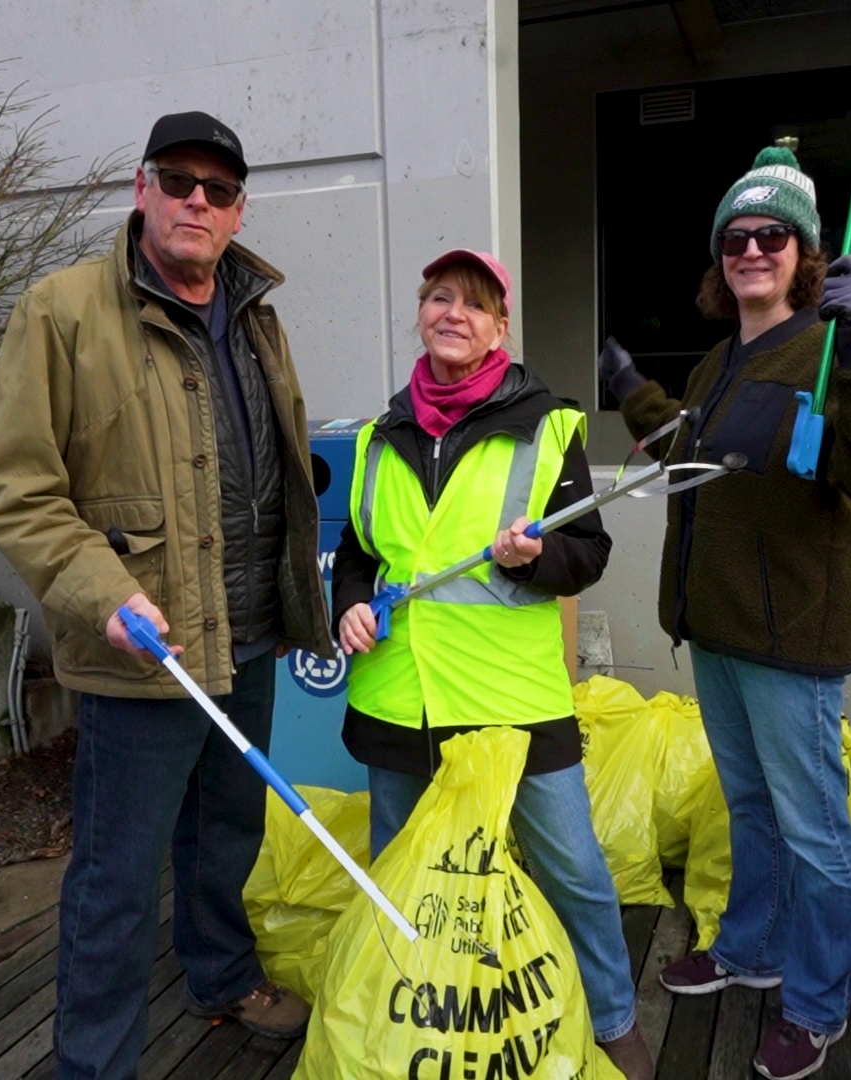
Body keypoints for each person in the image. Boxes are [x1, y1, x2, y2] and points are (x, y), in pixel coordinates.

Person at [0, 111, 333, 1078]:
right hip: (145, 649)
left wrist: (292, 586)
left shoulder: (256, 314)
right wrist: (103, 592)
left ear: (238, 211)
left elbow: (267, 464)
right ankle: (95, 1063)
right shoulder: (61, 311)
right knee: (117, 877)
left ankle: (223, 976)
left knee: (227, 834)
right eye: (178, 181)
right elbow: (19, 488)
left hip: (249, 637)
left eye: (219, 190)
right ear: (142, 190)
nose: (197, 202)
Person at [600, 144, 851, 1080]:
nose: (752, 249)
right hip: (716, 627)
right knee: (749, 807)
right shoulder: (721, 359)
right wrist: (631, 391)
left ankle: (818, 1004)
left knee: (816, 835)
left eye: (773, 235)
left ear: (806, 253)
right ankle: (750, 950)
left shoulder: (830, 351)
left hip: (792, 638)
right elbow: (695, 454)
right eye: (735, 237)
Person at [331, 249, 653, 1080]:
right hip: (399, 699)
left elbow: (588, 553)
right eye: (440, 297)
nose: (454, 314)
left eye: (474, 305)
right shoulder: (377, 437)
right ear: (421, 314)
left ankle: (612, 1018)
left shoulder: (548, 427)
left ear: (499, 329)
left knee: (574, 872)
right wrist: (350, 605)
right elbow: (360, 553)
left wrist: (533, 559)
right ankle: (413, 1019)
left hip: (515, 703)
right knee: (404, 877)